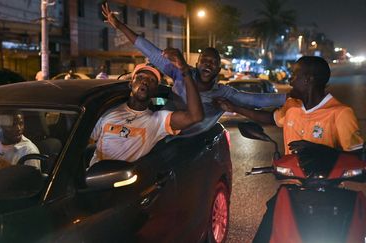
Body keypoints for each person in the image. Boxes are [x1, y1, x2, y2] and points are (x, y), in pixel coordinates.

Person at [215, 56, 364, 243]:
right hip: (294, 191)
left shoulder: (341, 113)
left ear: (308, 79)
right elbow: (270, 119)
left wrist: (318, 151)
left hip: (331, 192)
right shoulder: (292, 106)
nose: (290, 79)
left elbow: (357, 156)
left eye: (295, 75)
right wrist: (234, 107)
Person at [101, 3, 286, 137]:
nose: (208, 64)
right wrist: (118, 26)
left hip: (191, 146)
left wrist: (292, 96)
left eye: (213, 63)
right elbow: (149, 50)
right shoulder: (179, 72)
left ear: (218, 69)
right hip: (162, 137)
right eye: (204, 60)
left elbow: (256, 99)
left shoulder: (223, 93)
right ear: (197, 64)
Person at [89, 48, 203, 166]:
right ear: (130, 83)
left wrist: (185, 70)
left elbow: (195, 116)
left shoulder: (157, 121)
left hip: (126, 182)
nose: (145, 82)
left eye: (152, 80)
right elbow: (85, 141)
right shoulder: (107, 112)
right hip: (92, 180)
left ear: (155, 90)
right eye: (140, 77)